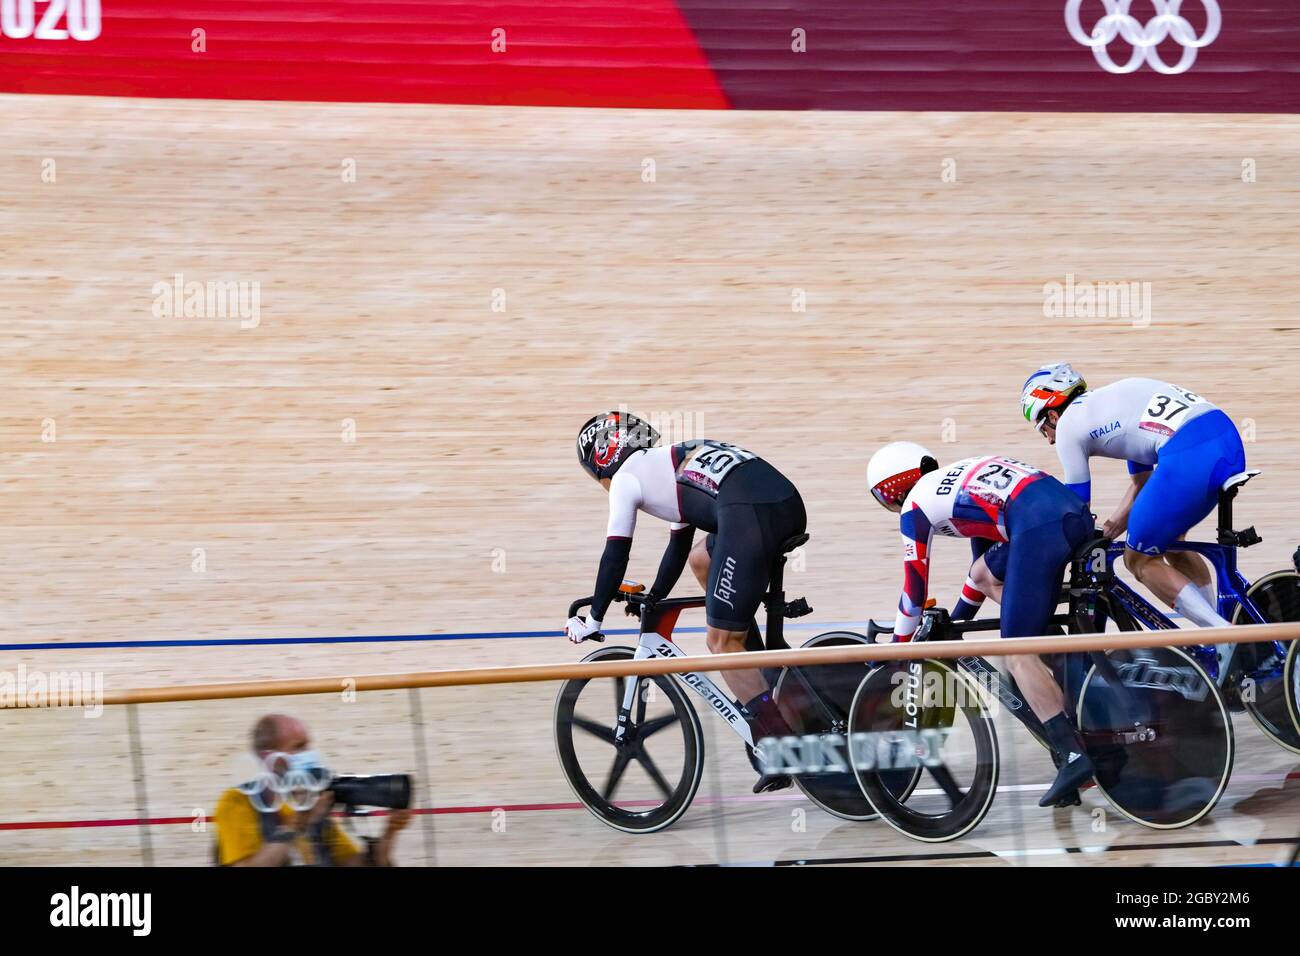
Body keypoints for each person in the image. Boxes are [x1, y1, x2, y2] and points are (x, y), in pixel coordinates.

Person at [566, 410, 807, 792]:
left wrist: (594, 618)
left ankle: (781, 748)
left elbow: (615, 554)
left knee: (720, 641)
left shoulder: (628, 479)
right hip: (781, 503)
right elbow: (679, 548)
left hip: (748, 515)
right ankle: (761, 667)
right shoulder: (667, 463)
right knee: (702, 559)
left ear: (602, 460)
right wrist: (655, 598)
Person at [867, 441, 1096, 807]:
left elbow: (913, 593)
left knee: (1016, 653)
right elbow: (983, 573)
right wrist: (955, 624)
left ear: (890, 491)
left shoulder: (914, 508)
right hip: (1069, 515)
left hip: (1039, 528)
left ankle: (1073, 756)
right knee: (990, 578)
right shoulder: (957, 481)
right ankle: (1062, 671)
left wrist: (895, 649)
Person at [1019, 363, 1246, 629]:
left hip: (1190, 456)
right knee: (1170, 542)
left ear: (1053, 415)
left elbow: (1076, 508)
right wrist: (1112, 527)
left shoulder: (1069, 425)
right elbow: (1142, 482)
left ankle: (1221, 636)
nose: (1049, 440)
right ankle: (1217, 628)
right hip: (1225, 442)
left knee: (1137, 559)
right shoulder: (1111, 403)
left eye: (1042, 428)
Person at [214, 713, 411, 866]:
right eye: (299, 747)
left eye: (308, 746)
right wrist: (299, 823)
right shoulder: (237, 802)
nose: (308, 754)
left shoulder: (310, 800)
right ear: (269, 758)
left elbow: (354, 863)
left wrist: (390, 832)